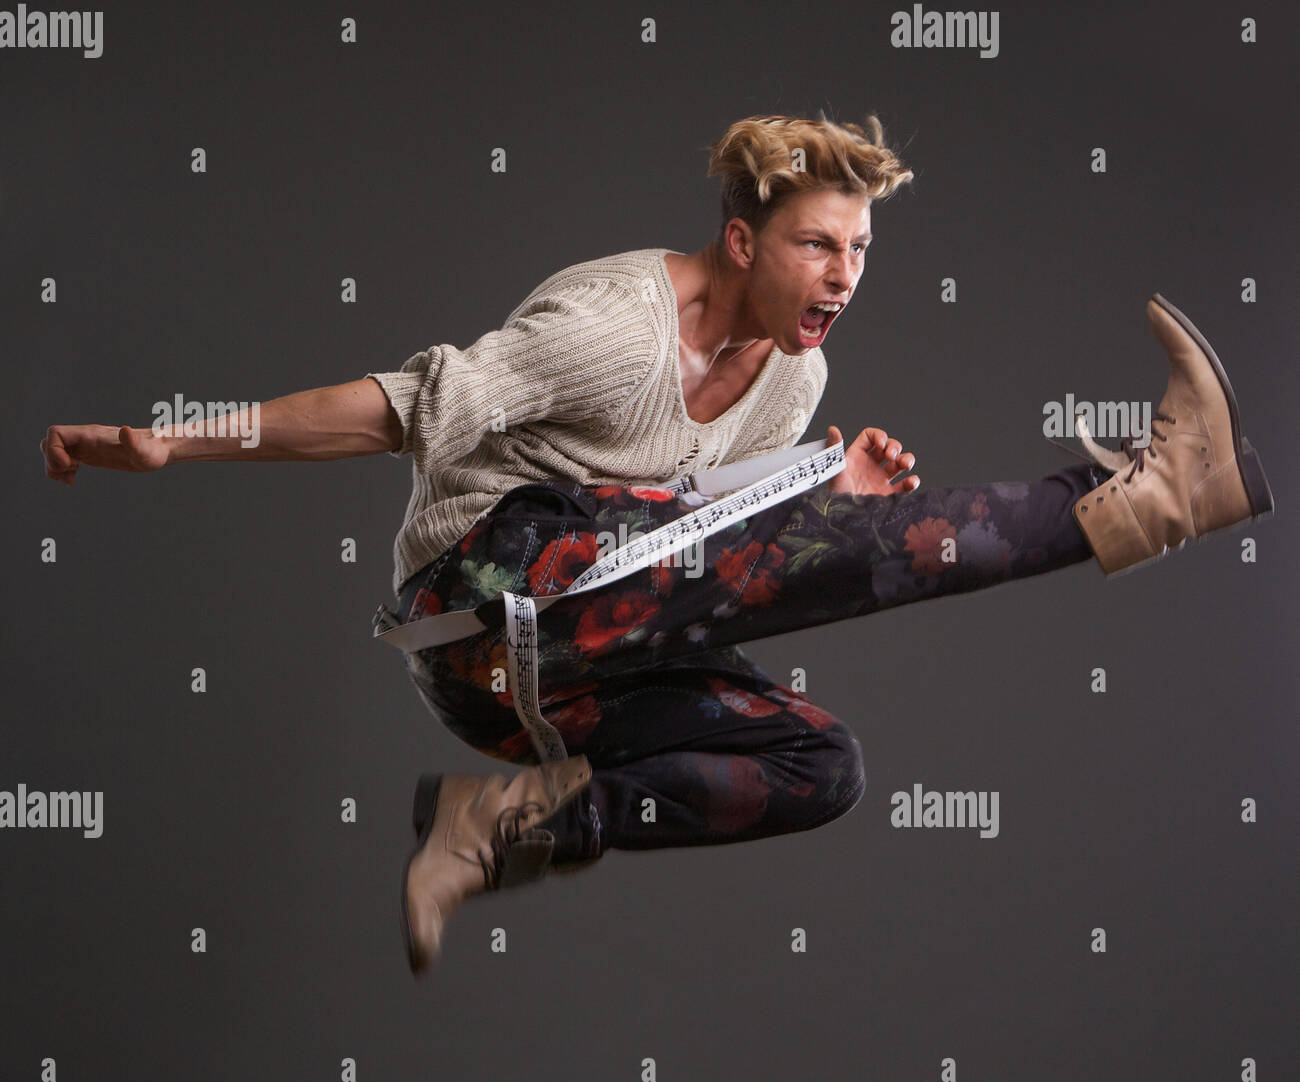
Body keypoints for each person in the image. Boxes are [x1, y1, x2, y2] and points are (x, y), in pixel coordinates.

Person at [40, 113, 1275, 975]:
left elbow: (703, 557)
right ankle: (1150, 494)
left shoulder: (795, 379)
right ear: (742, 240)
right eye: (815, 244)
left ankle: (498, 827)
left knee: (816, 764)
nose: (842, 275)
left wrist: (810, 497)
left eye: (858, 250)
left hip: (555, 690)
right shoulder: (614, 327)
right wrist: (174, 437)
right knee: (784, 549)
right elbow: (405, 405)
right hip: (479, 600)